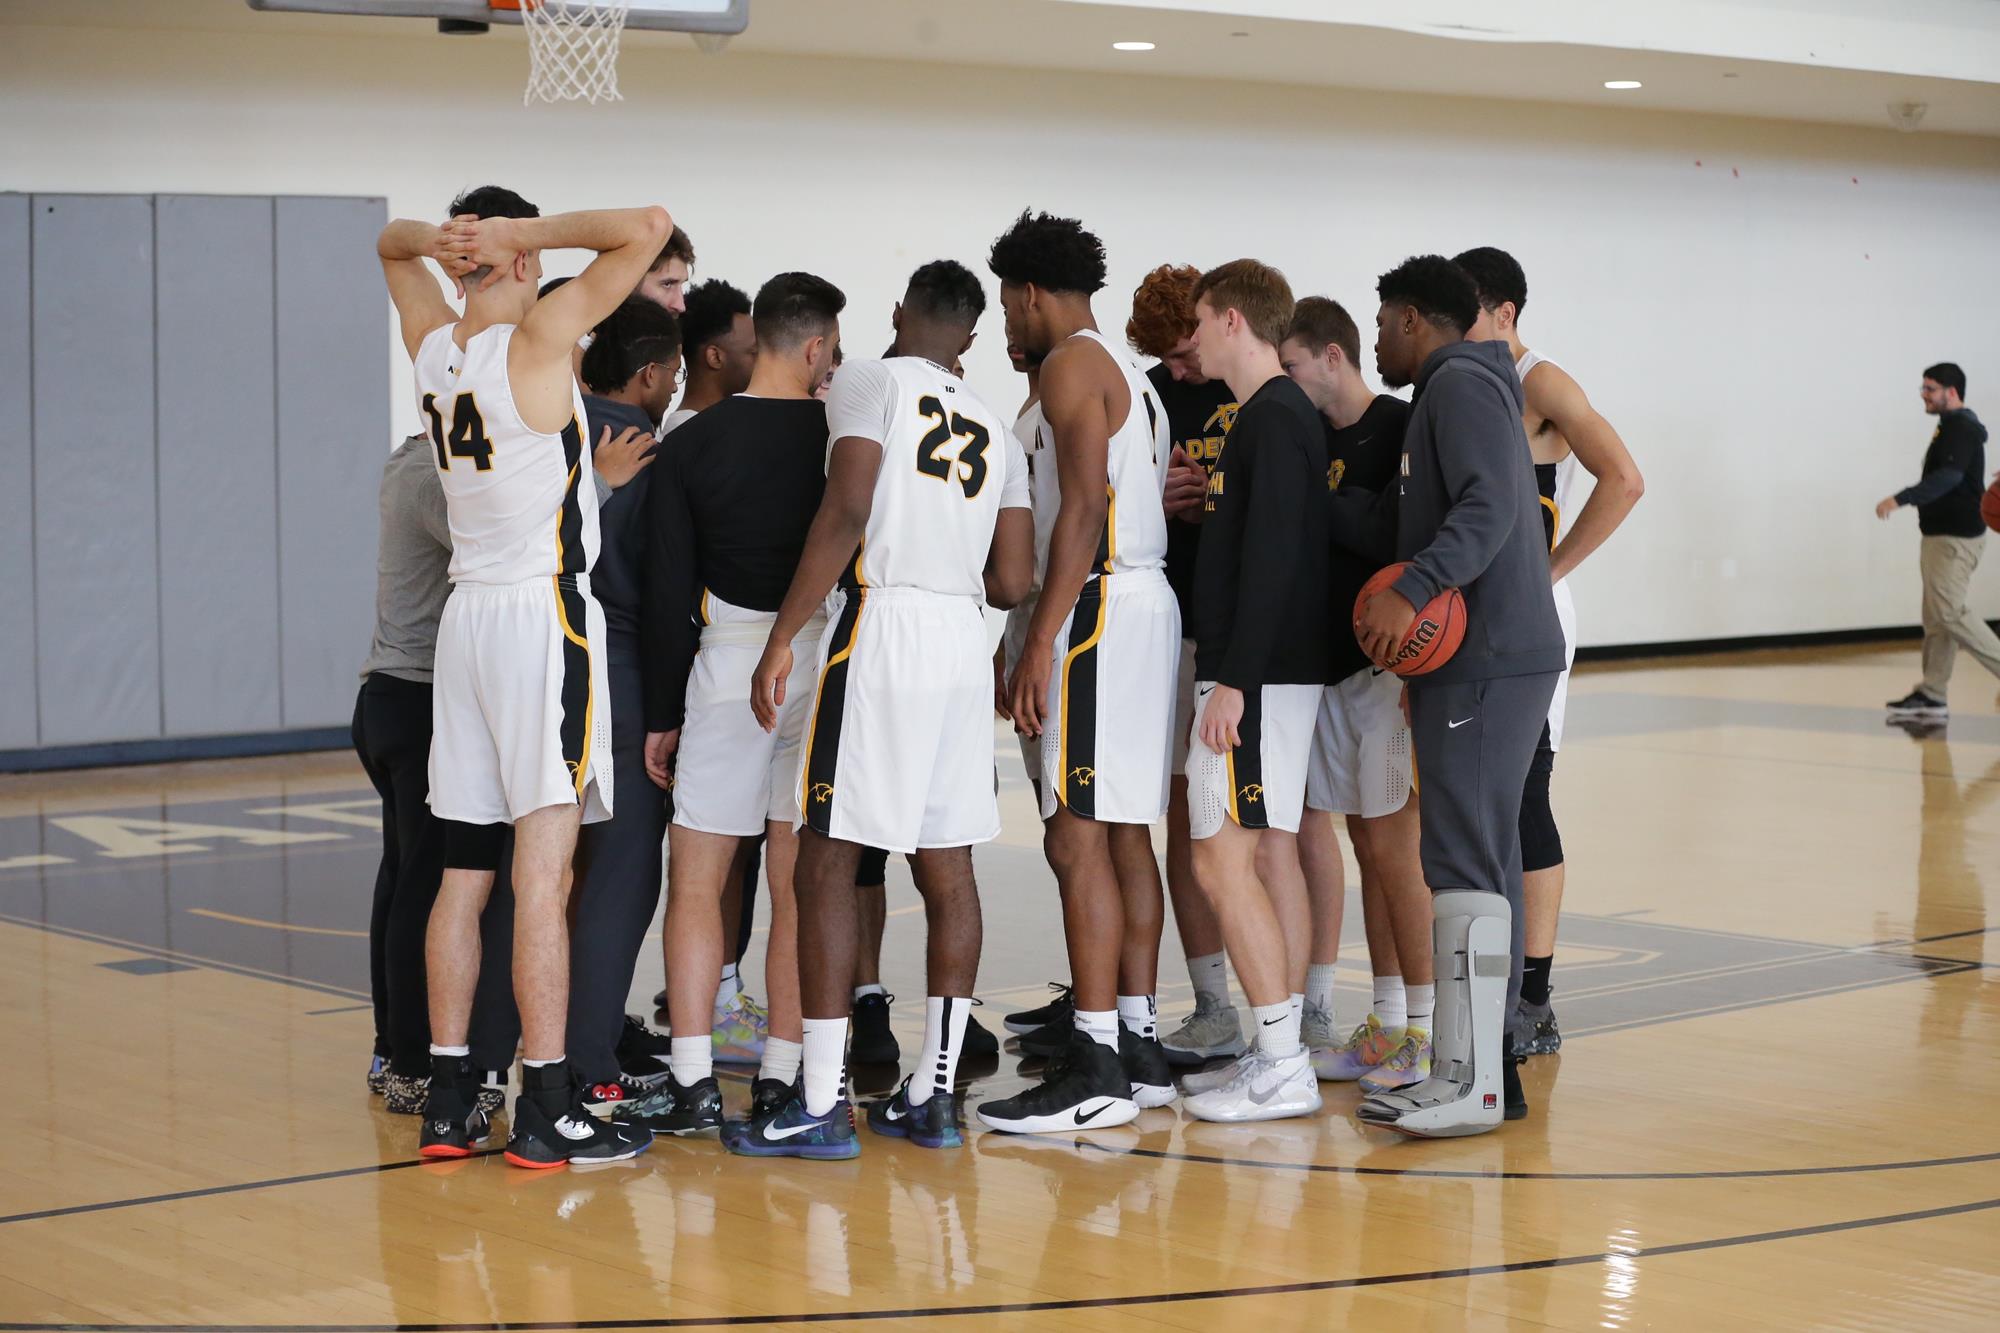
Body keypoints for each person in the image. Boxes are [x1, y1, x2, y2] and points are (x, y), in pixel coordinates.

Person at [376, 187, 666, 1167]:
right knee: (542, 875)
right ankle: (546, 1104)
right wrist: (516, 236)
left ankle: (451, 1098)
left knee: (464, 874)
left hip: (465, 628)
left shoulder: (433, 350)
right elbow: (648, 227)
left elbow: (388, 246)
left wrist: (448, 244)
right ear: (522, 263)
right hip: (544, 620)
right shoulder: (540, 340)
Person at [734, 260, 1034, 1157]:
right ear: (973, 339)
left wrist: (784, 633)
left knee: (825, 861)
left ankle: (820, 1101)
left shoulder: (869, 378)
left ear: (900, 313)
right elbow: (1012, 579)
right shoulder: (997, 424)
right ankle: (936, 1097)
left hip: (883, 630)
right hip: (959, 639)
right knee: (949, 871)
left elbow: (849, 503)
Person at [1350, 255, 1565, 1138]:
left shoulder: (1464, 386)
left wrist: (1413, 589)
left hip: (1492, 656)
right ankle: (1479, 1073)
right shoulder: (1456, 388)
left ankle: (1477, 1080)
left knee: (1470, 862)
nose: (1374, 343)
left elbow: (1489, 508)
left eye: (1379, 324)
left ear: (1410, 318)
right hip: (1470, 661)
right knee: (1465, 857)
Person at [979, 212, 1182, 1130]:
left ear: (1028, 293)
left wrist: (1039, 636)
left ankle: (1096, 1057)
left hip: (1097, 608)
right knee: (1125, 832)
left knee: (1075, 834)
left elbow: (1085, 510)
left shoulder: (1067, 365)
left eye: (1006, 304)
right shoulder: (1127, 370)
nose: (1006, 323)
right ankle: (1134, 1041)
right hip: (1134, 606)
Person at [636, 272, 845, 1135]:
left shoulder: (691, 441)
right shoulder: (843, 437)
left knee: (696, 881)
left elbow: (664, 593)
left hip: (726, 663)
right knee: (797, 883)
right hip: (819, 653)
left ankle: (689, 1080)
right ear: (813, 347)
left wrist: (660, 713)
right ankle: (783, 1078)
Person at [1455, 246, 1644, 1058]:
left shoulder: (1539, 380)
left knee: (1525, 795)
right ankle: (1477, 988)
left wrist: (1552, 567)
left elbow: (1625, 478)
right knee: (1477, 803)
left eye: (1463, 315)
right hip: (1477, 619)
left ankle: (1534, 996)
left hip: (1530, 617)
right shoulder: (1466, 383)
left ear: (1503, 314)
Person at [1171, 259, 1330, 1125]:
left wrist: (1234, 679)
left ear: (1232, 320)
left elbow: (1275, 563)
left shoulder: (1273, 419)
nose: (1188, 339)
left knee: (1223, 859)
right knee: (1229, 857)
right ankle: (1275, 1054)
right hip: (1254, 677)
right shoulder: (1265, 419)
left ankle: (1281, 1063)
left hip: (1256, 682)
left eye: (1197, 321)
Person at [1278, 297, 1436, 1092]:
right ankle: (1386, 1021)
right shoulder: (1309, 435)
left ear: (1332, 358)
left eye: (1294, 366)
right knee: (1364, 847)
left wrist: (1307, 499)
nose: (1287, 381)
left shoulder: (1401, 427)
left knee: (1396, 851)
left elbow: (1387, 535)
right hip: (1327, 665)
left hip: (1386, 672)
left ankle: (1429, 1033)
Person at [353, 434, 520, 1116]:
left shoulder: (407, 455)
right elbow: (501, 548)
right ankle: (411, 1064)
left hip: (387, 697)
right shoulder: (433, 479)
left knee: (401, 876)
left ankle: (390, 1048)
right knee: (421, 884)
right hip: (416, 700)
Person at [1123, 263, 1248, 1067]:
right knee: (1182, 818)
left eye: (1181, 354)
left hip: (1239, 636)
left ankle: (1297, 1008)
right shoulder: (1145, 396)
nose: (1174, 371)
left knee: (1266, 830)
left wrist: (1218, 497)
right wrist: (1151, 505)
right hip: (1170, 628)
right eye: (1160, 360)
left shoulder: (1256, 394)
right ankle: (1211, 1003)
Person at [562, 298, 681, 1113]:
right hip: (624, 672)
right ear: (648, 373)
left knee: (536, 873)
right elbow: (670, 594)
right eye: (671, 371)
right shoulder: (644, 448)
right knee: (620, 875)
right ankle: (588, 1059)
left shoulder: (554, 427)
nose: (675, 385)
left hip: (546, 663)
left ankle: (514, 1051)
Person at [1877, 362, 1997, 721]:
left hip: (1955, 538)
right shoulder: (1950, 426)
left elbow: (1949, 477)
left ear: (1952, 392)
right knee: (1936, 617)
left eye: (1930, 389)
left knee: (1949, 613)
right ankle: (1933, 694)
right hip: (1939, 535)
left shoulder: (1961, 428)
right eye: (1923, 388)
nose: (1923, 395)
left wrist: (1901, 498)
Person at [662, 279, 756, 434]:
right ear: (715, 357)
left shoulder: (720, 427)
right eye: (754, 353)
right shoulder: (688, 434)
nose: (764, 361)